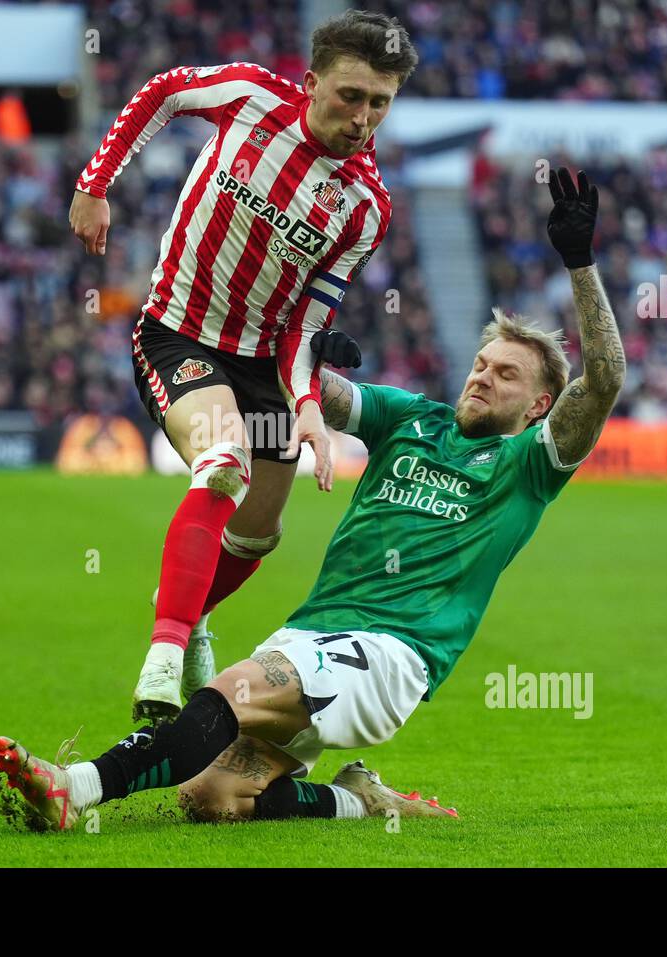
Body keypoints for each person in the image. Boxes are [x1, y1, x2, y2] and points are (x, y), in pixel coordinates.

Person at [0, 169, 623, 831]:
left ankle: (73, 786)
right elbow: (321, 396)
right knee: (210, 795)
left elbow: (604, 379)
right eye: (481, 364)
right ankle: (356, 798)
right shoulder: (411, 417)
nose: (483, 377)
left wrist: (579, 261)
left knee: (234, 689)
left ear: (540, 404)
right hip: (313, 625)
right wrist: (308, 357)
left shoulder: (531, 464)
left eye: (506, 375)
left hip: (390, 651)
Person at [68, 10, 419, 724]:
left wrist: (308, 406)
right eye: (350, 95)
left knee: (260, 530)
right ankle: (164, 657)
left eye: (379, 103)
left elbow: (307, 323)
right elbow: (163, 91)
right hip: (178, 332)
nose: (362, 117)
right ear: (313, 80)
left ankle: (192, 615)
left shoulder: (364, 207)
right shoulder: (251, 96)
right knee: (223, 461)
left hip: (263, 355)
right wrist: (95, 181)